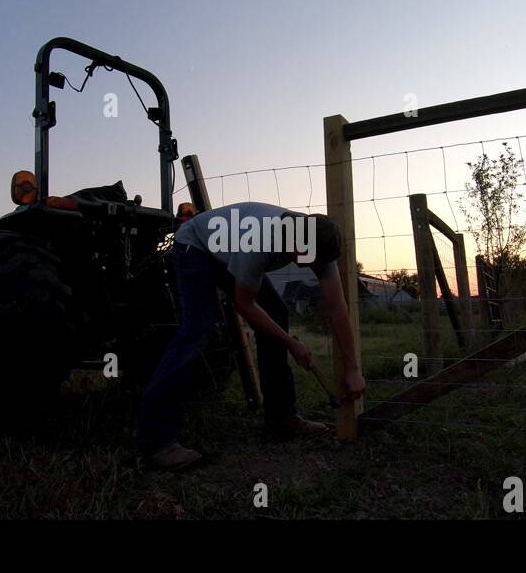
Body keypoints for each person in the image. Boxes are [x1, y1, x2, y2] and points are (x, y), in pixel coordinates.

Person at [139, 201, 366, 470]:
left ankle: (281, 417)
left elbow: (337, 308)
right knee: (197, 329)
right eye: (308, 263)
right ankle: (156, 442)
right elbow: (244, 304)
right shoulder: (261, 240)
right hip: (195, 246)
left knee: (277, 312)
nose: (311, 269)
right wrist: (291, 343)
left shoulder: (319, 242)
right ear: (296, 246)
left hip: (229, 247)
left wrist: (353, 369)